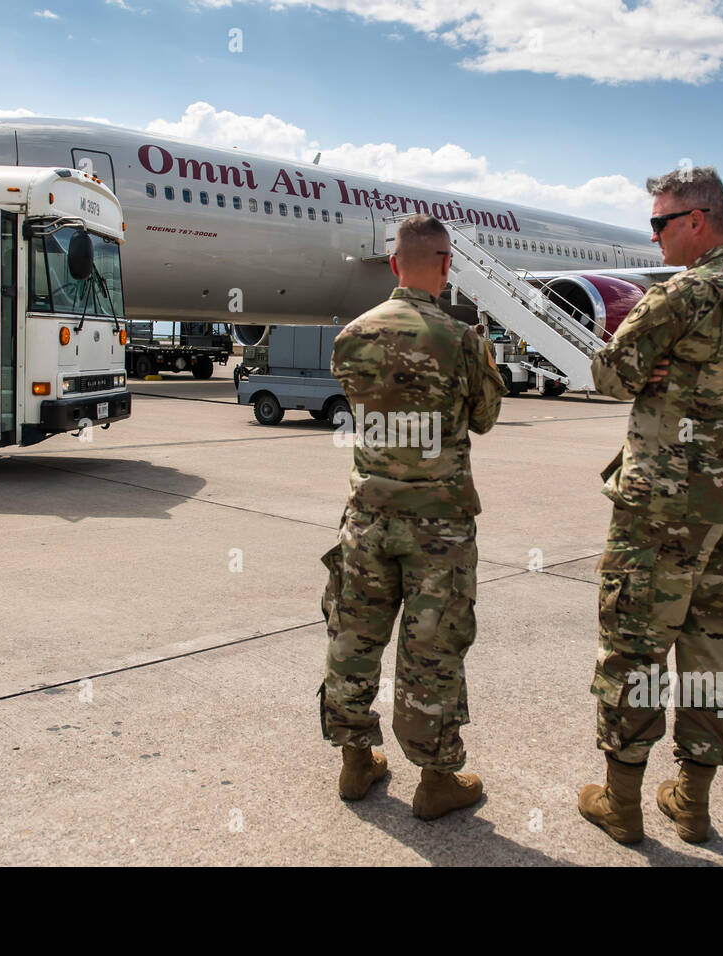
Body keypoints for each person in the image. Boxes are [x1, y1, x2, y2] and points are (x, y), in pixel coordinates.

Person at [579, 166, 723, 845]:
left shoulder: (682, 295)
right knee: (714, 653)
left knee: (633, 650)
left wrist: (647, 364)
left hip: (664, 507)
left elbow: (610, 374)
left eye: (660, 223)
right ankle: (692, 803)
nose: (654, 236)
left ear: (697, 220)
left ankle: (623, 802)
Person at [318, 214, 506, 820]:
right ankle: (435, 780)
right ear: (446, 266)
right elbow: (485, 417)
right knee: (432, 651)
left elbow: (360, 406)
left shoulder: (351, 336)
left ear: (394, 264)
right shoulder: (462, 339)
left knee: (353, 639)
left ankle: (354, 761)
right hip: (439, 527)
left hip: (367, 518)